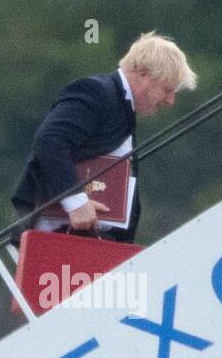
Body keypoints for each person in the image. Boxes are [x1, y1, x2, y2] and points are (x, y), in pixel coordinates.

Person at [12, 30, 197, 243]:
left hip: (91, 241)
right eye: (167, 89)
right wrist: (76, 202)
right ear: (143, 74)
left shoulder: (122, 107)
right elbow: (49, 141)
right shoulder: (96, 92)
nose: (170, 101)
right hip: (57, 237)